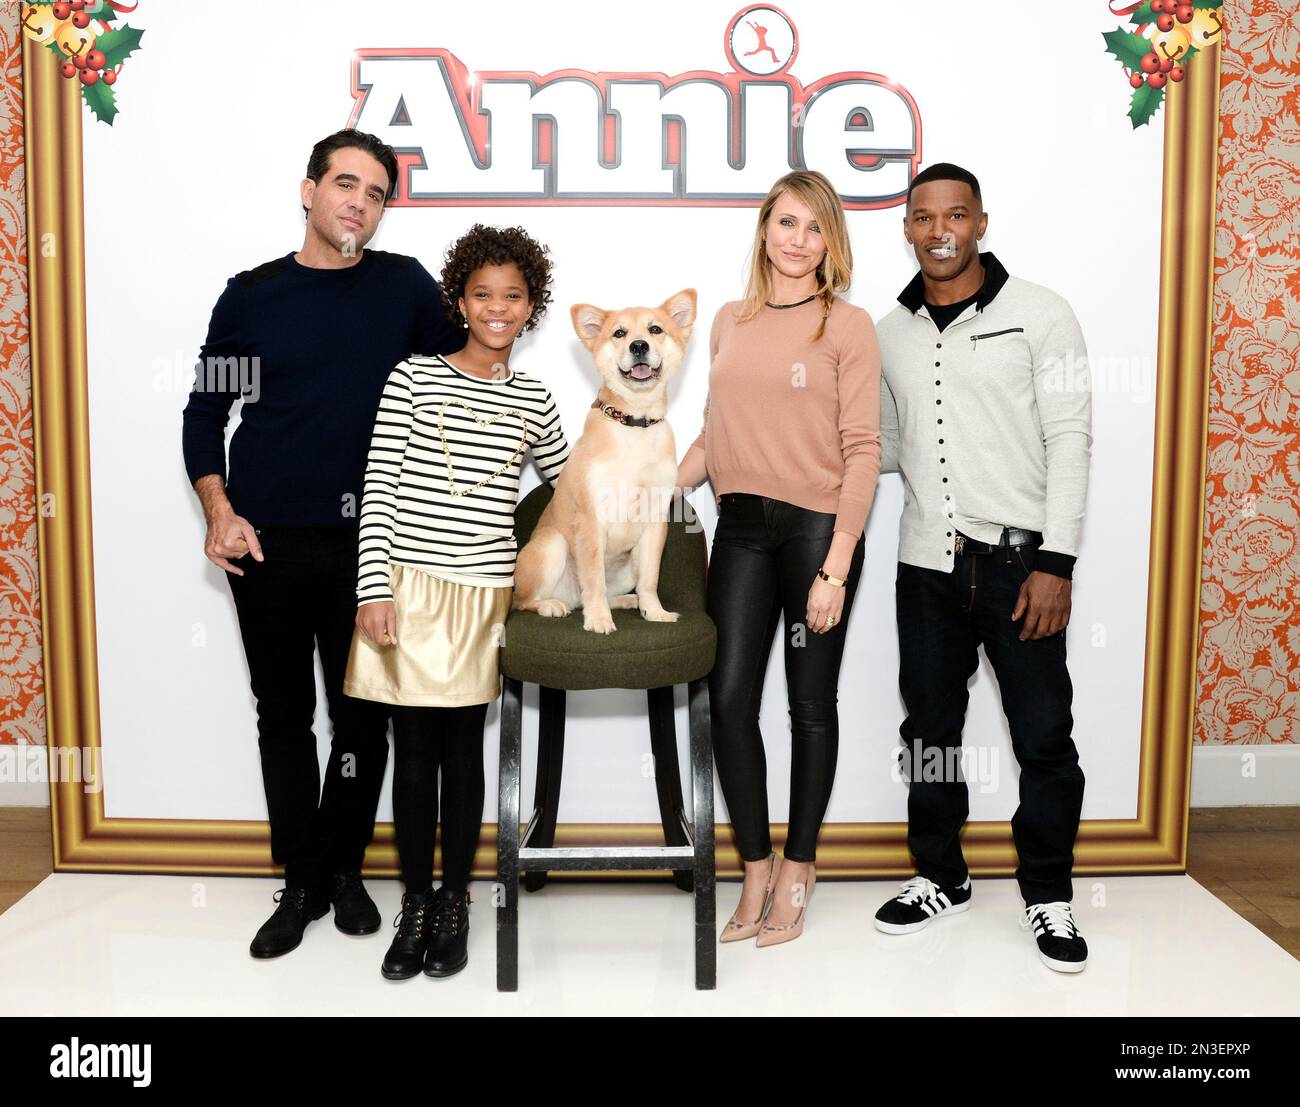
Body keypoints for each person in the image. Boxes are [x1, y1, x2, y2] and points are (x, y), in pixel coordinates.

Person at [181, 129, 463, 959]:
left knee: (361, 722)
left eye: (376, 194)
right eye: (346, 184)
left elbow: (465, 368)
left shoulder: (404, 290)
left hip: (373, 546)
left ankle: (344, 867)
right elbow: (206, 415)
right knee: (283, 717)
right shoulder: (253, 297)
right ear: (309, 192)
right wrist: (217, 509)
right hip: (264, 543)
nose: (359, 203)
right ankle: (299, 878)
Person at [873, 162, 1092, 973]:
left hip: (1020, 566)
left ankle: (1048, 892)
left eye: (955, 215)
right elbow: (885, 448)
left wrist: (1058, 561)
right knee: (929, 731)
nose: (940, 231)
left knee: (1043, 736)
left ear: (980, 222)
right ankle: (941, 872)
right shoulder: (887, 331)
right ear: (907, 228)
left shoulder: (1041, 314)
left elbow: (1071, 436)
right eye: (924, 217)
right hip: (924, 565)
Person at [344, 224, 570, 980]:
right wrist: (373, 587)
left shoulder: (537, 399)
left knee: (463, 752)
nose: (497, 308)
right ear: (460, 300)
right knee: (412, 753)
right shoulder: (412, 377)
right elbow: (378, 488)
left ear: (531, 306)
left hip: (483, 597)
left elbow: (573, 491)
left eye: (513, 296)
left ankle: (455, 899)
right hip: (408, 591)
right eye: (482, 295)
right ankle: (413, 901)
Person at [677, 170, 882, 947]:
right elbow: (713, 434)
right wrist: (647, 488)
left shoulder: (847, 326)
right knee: (727, 699)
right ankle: (754, 863)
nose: (797, 240)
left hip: (815, 531)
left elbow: (864, 450)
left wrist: (836, 565)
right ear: (764, 228)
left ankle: (800, 866)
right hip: (741, 527)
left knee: (809, 704)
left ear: (831, 242)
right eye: (785, 222)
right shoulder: (730, 319)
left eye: (814, 227)